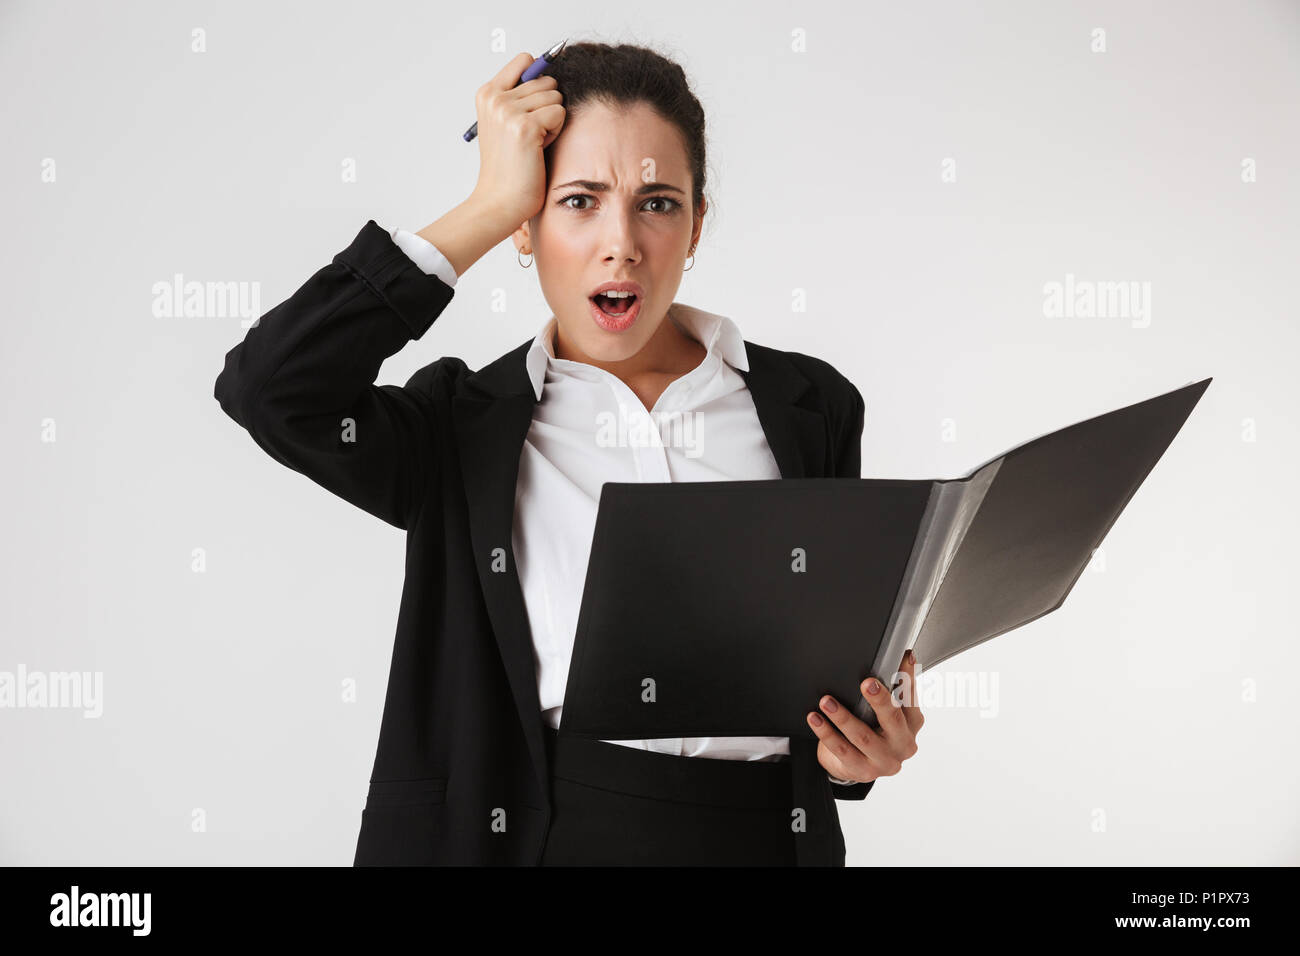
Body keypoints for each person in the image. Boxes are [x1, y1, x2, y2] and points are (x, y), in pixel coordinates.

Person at [214, 41, 921, 866]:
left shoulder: (811, 407)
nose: (621, 243)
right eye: (579, 200)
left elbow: (828, 680)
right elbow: (269, 389)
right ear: (527, 225)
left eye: (657, 203)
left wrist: (857, 755)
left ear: (696, 227)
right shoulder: (458, 429)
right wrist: (484, 206)